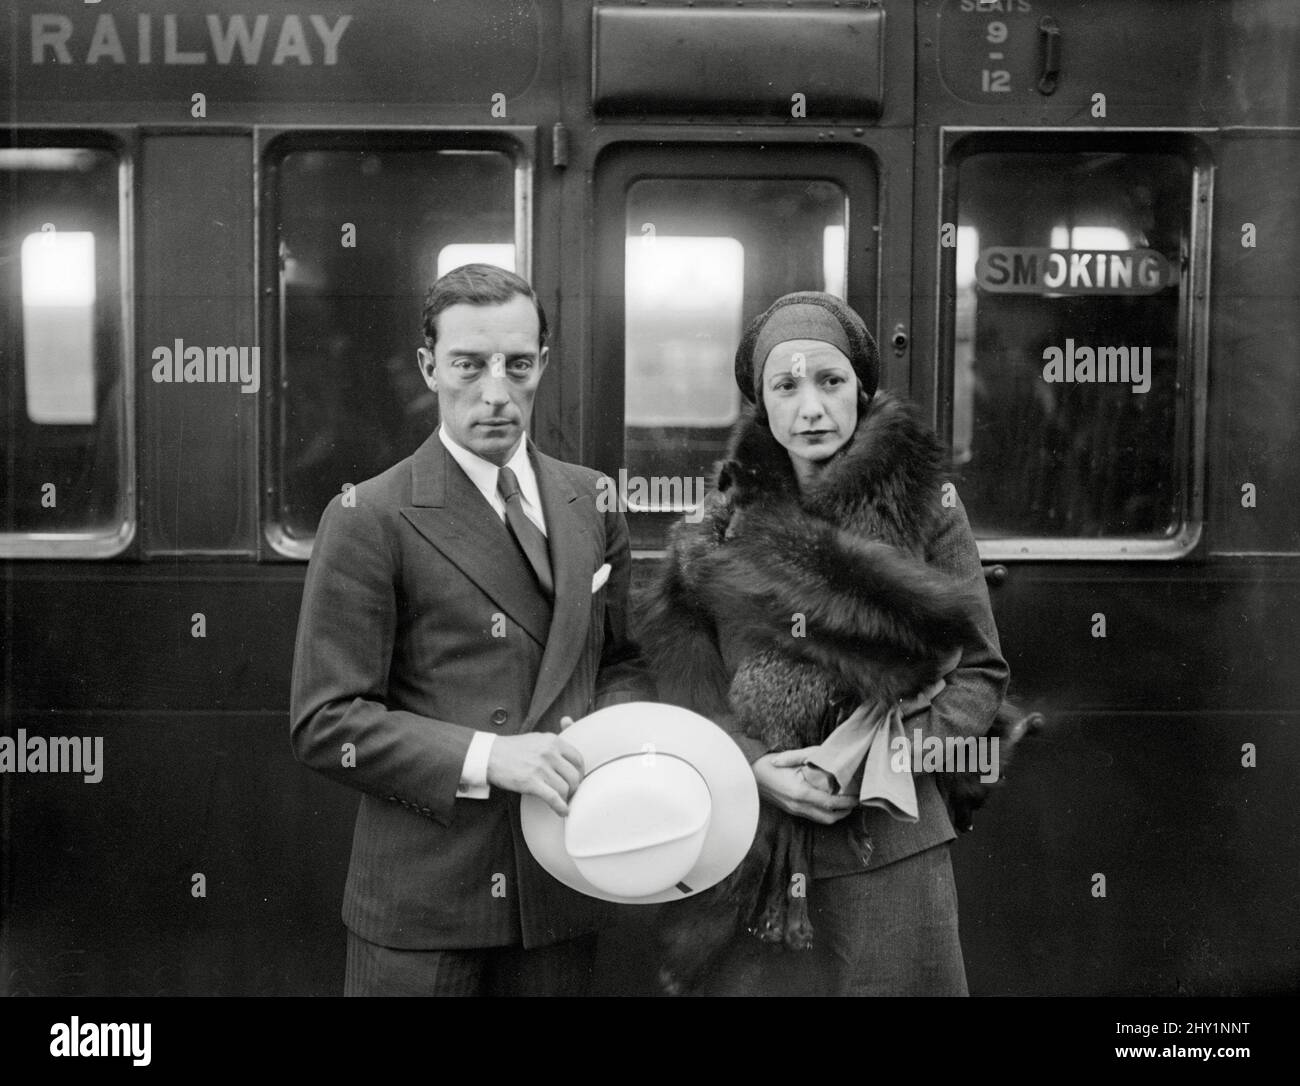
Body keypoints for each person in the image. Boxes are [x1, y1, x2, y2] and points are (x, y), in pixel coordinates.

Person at [289, 264, 651, 996]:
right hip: (428, 909)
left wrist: (604, 742)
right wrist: (493, 757)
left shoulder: (592, 501)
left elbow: (622, 664)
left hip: (560, 888)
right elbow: (327, 721)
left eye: (517, 365)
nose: (495, 392)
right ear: (430, 368)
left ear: (542, 364)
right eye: (468, 365)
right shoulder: (370, 516)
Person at [642, 291, 1009, 996]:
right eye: (787, 387)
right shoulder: (714, 528)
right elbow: (682, 692)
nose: (810, 408)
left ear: (859, 391)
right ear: (762, 404)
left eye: (830, 381)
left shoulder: (926, 507)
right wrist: (750, 765)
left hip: (889, 841)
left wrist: (870, 765)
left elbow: (981, 675)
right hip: (754, 842)